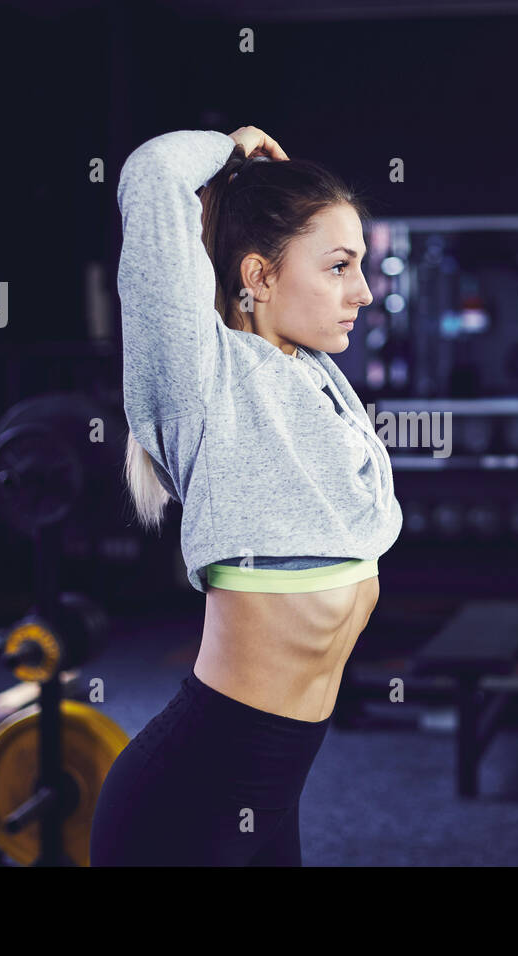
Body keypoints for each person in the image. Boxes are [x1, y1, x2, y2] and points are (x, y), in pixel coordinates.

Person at [89, 126, 402, 866]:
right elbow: (152, 173)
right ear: (258, 276)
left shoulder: (320, 382)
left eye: (360, 265)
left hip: (272, 799)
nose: (362, 290)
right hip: (187, 803)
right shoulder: (203, 382)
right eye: (337, 267)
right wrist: (230, 150)